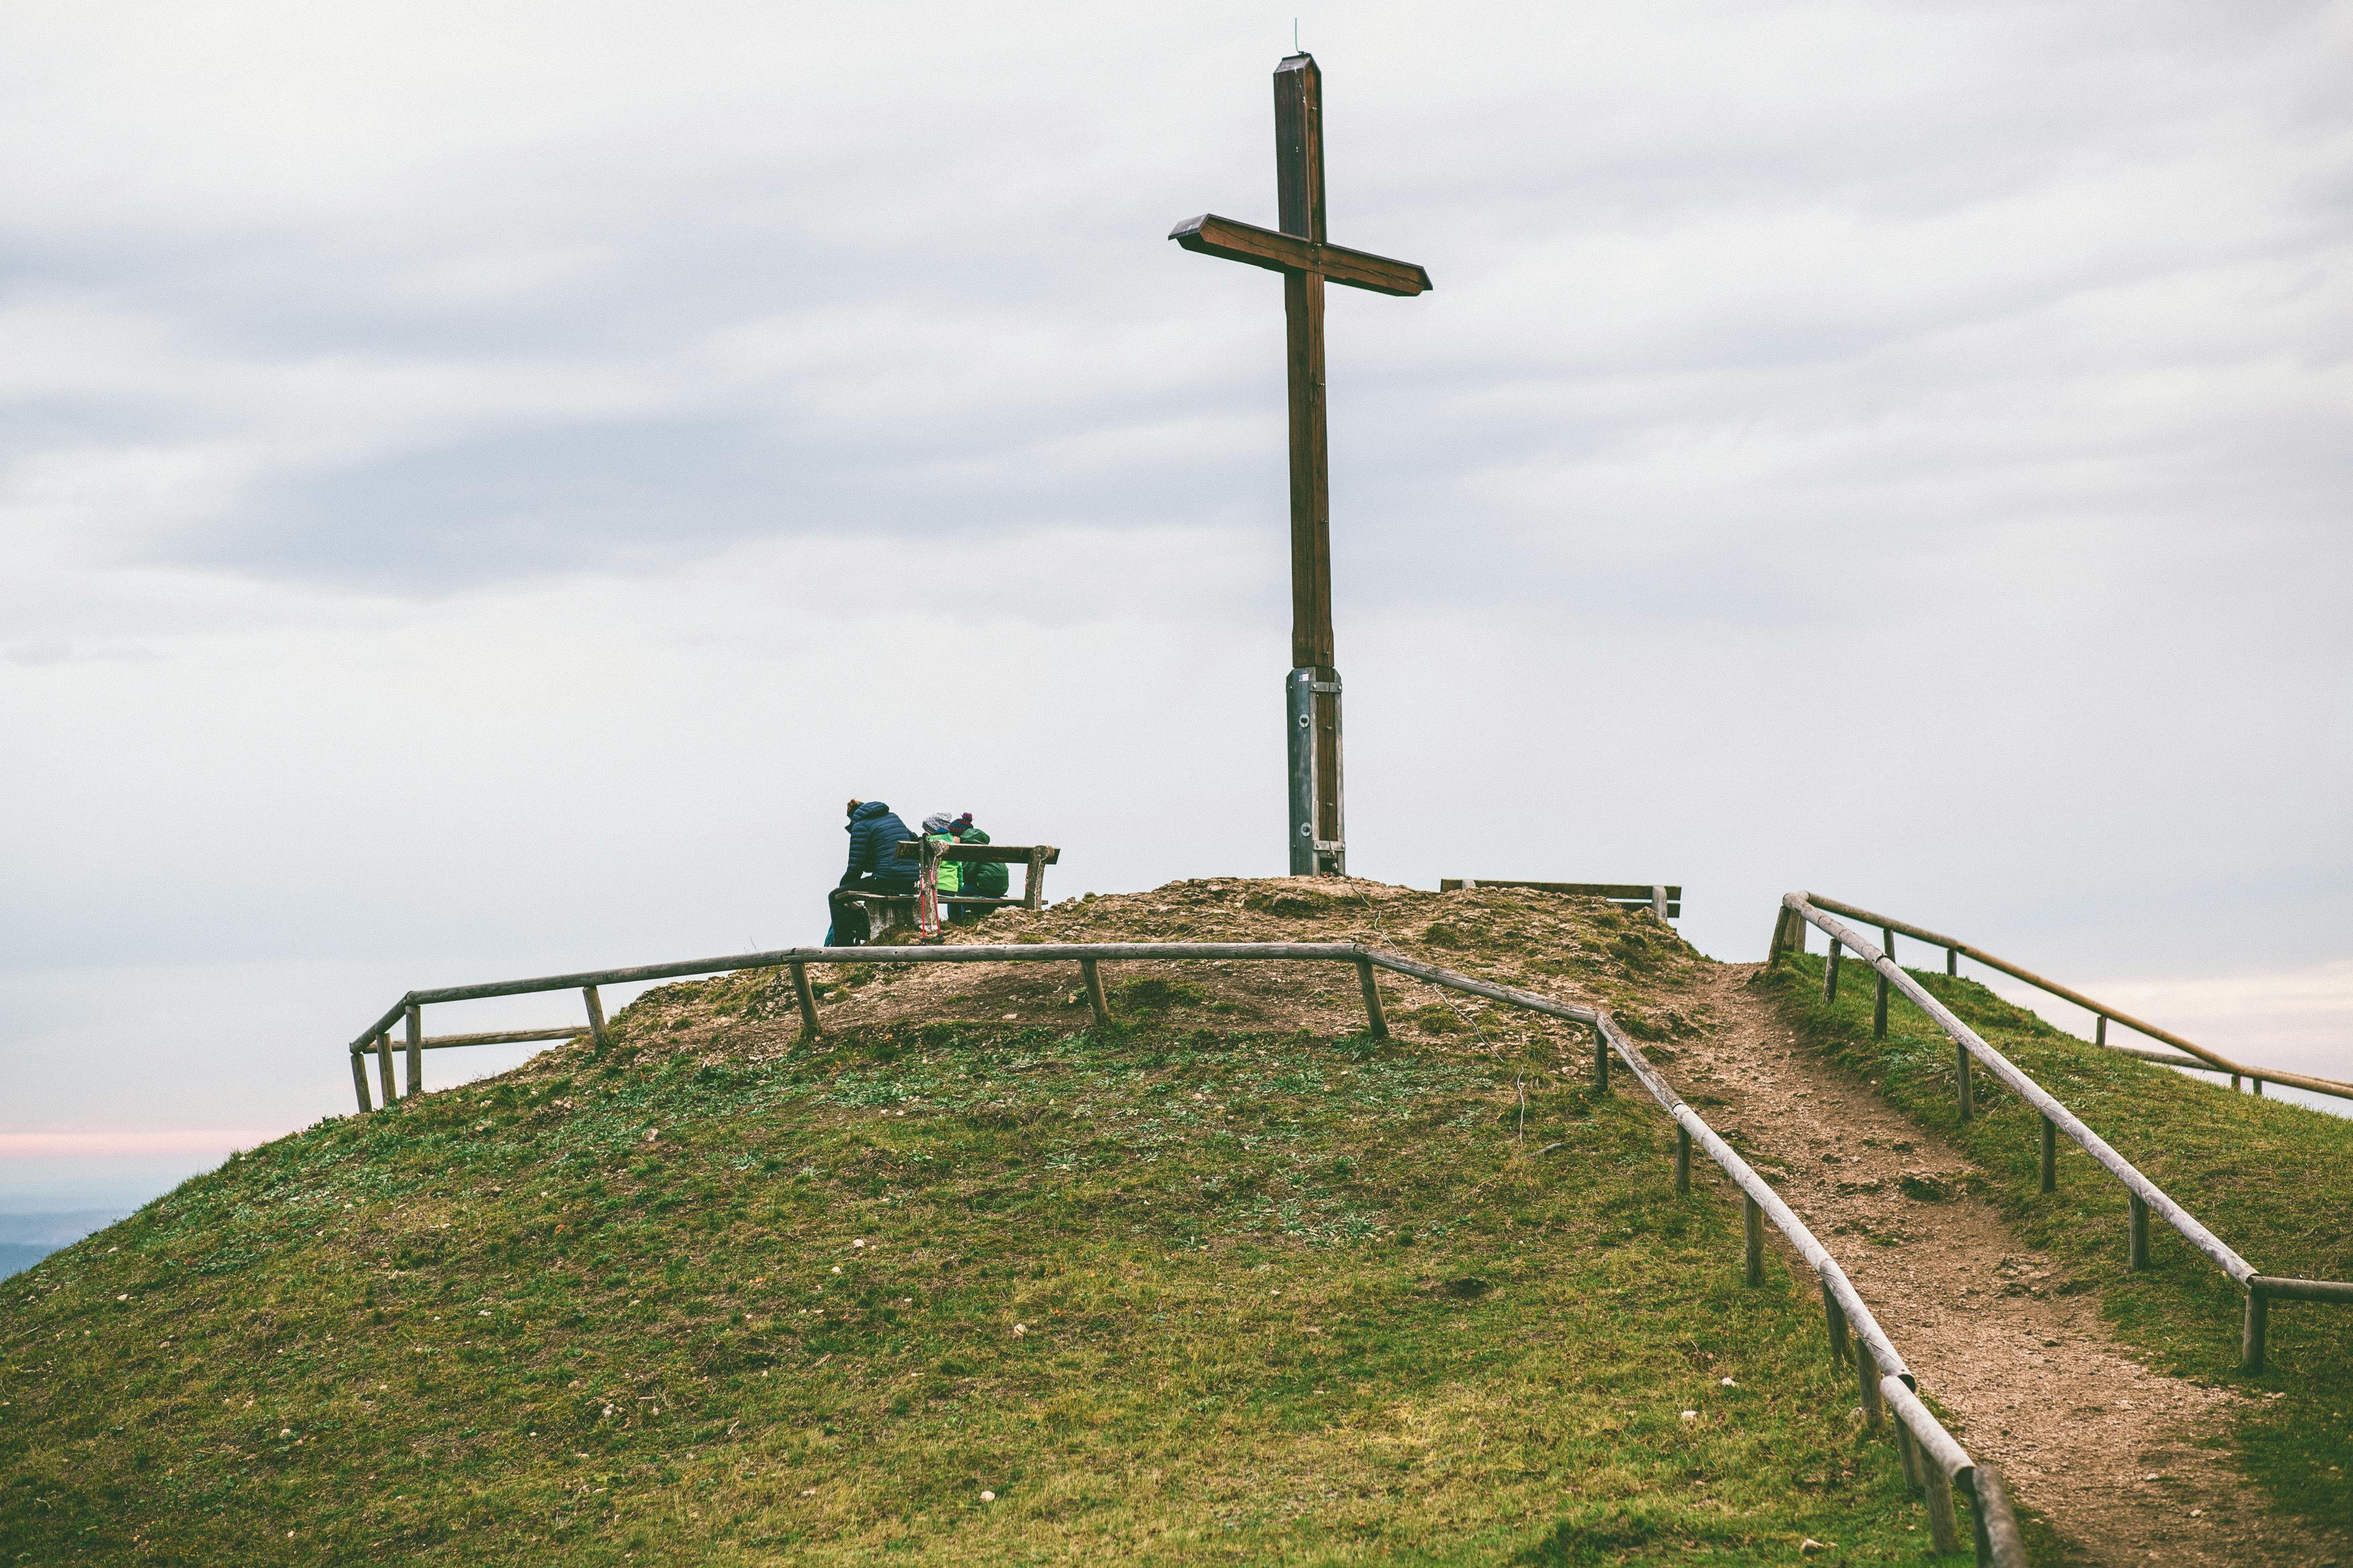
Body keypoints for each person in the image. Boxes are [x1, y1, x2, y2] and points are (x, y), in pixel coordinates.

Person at [825, 798, 917, 946]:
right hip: (909, 882)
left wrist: (843, 887)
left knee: (835, 897)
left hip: (886, 880)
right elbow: (914, 840)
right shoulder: (893, 817)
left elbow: (855, 868)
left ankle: (842, 946)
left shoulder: (861, 826)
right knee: (850, 890)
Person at [948, 811, 1010, 922]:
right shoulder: (982, 844)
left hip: (985, 886)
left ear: (960, 836)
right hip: (1000, 888)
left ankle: (955, 921)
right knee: (966, 889)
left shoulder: (970, 848)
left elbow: (967, 873)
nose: (950, 839)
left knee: (955, 892)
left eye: (952, 836)